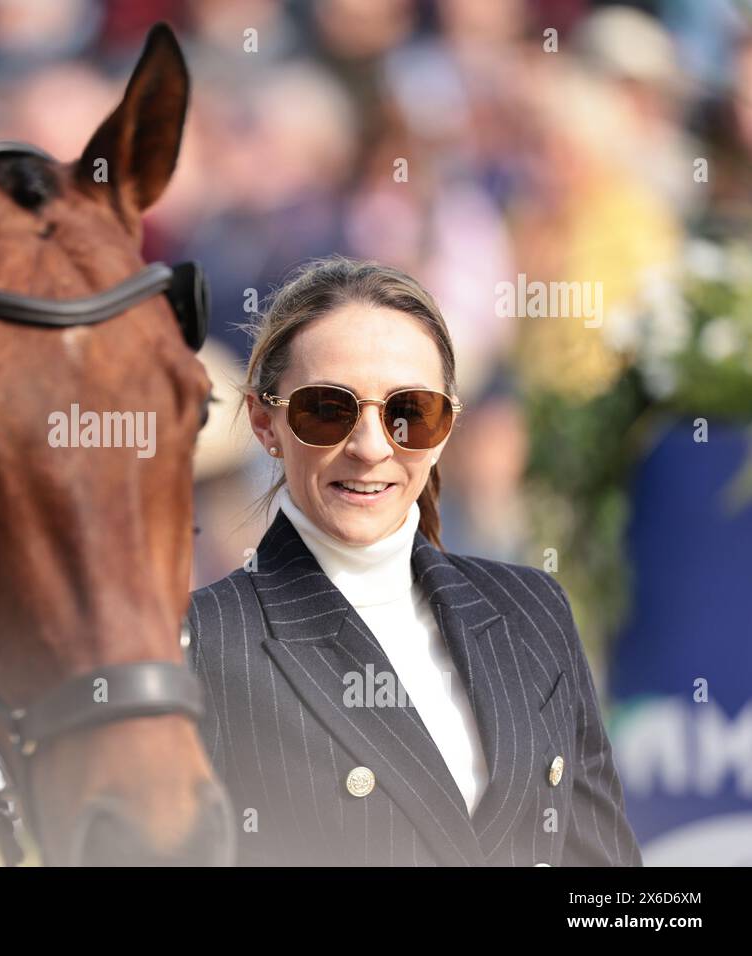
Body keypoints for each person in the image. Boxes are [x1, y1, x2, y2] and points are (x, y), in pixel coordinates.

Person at [186, 256, 642, 866]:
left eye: (410, 413)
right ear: (266, 423)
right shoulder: (202, 643)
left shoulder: (534, 610)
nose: (372, 447)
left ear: (447, 425)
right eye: (327, 408)